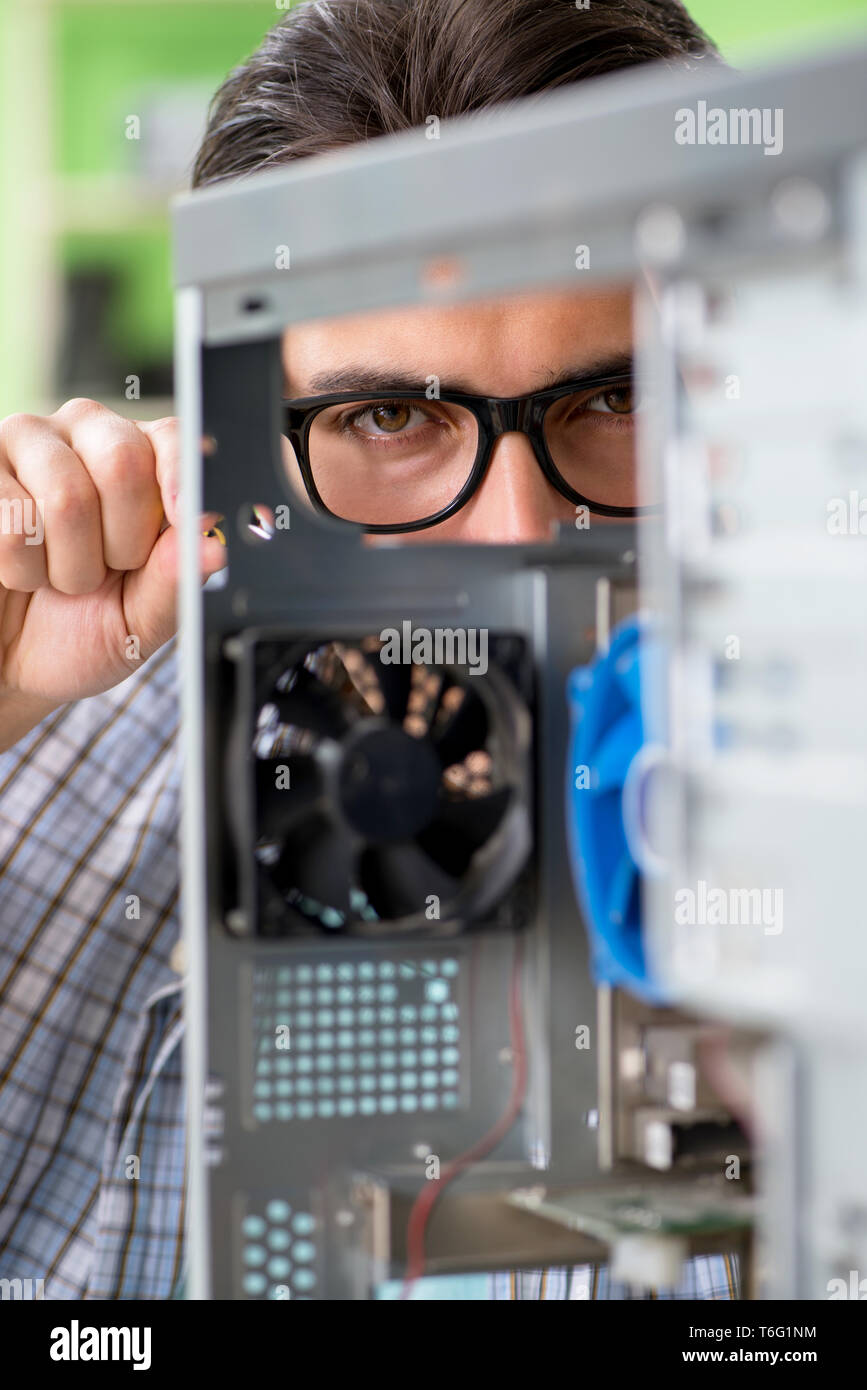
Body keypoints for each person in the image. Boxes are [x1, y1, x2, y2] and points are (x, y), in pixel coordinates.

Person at [0, 0, 737, 1299]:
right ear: (240, 442)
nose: (519, 534)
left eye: (617, 398)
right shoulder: (51, 736)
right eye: (390, 417)